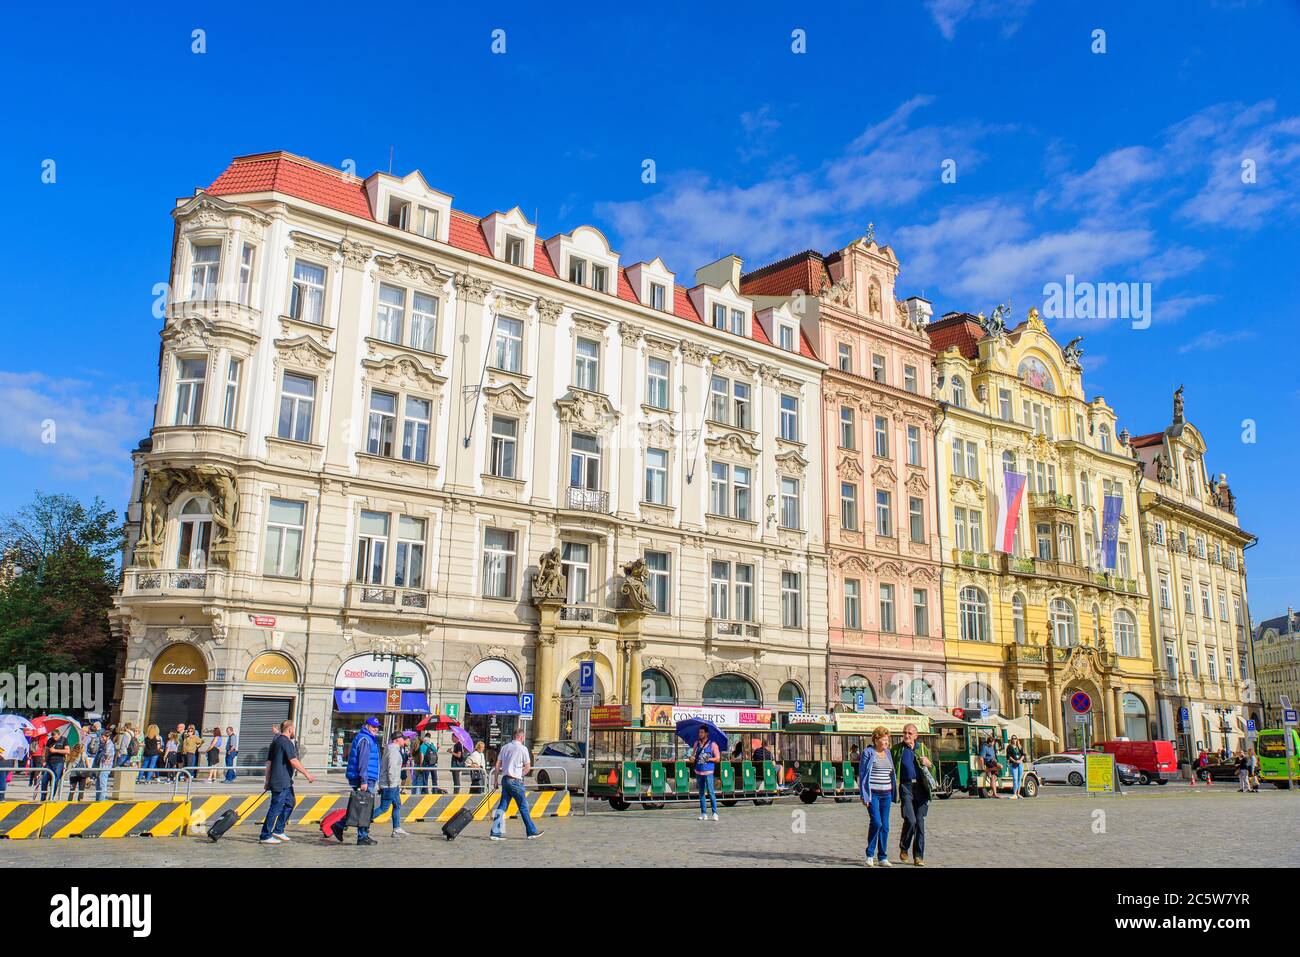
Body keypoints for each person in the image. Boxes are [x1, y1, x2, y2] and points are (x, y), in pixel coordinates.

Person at [259, 719, 315, 845]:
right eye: (293, 729)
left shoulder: (275, 742)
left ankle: (278, 829)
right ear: (290, 729)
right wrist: (307, 775)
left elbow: (269, 764)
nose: (294, 731)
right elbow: (294, 761)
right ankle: (265, 835)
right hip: (281, 781)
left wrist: (267, 780)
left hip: (285, 781)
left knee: (290, 803)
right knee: (275, 808)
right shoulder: (286, 743)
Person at [334, 717, 381, 845]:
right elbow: (363, 762)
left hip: (367, 778)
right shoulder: (365, 739)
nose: (376, 729)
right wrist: (364, 780)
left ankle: (342, 826)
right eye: (373, 727)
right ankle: (361, 836)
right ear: (367, 726)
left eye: (377, 727)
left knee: (361, 807)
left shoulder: (368, 738)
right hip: (364, 778)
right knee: (364, 808)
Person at [893, 723, 934, 866]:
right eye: (904, 732)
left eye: (910, 733)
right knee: (910, 820)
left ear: (916, 736)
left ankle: (918, 856)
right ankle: (904, 847)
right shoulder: (897, 750)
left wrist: (929, 764)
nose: (906, 735)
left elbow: (932, 770)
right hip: (906, 786)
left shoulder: (922, 749)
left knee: (920, 823)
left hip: (921, 788)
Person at [490, 729, 541, 840]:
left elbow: (498, 764)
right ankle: (531, 831)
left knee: (502, 806)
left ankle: (495, 833)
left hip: (505, 779)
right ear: (521, 737)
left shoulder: (505, 747)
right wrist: (520, 775)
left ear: (514, 736)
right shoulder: (523, 749)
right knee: (523, 806)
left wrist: (495, 780)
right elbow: (527, 767)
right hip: (515, 781)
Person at [858, 726, 895, 867]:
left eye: (887, 739)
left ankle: (882, 857)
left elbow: (891, 773)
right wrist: (864, 796)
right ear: (876, 739)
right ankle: (869, 854)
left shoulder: (888, 753)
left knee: (885, 826)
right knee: (877, 822)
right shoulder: (868, 752)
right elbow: (862, 775)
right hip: (873, 794)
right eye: (884, 739)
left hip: (886, 794)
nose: (886, 742)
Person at [375, 731, 411, 837]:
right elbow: (392, 769)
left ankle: (397, 828)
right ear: (397, 740)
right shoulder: (393, 751)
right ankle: (363, 822)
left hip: (393, 784)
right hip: (390, 785)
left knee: (397, 805)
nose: (404, 740)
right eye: (402, 739)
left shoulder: (393, 749)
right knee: (384, 808)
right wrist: (391, 784)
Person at [691, 726, 720, 822]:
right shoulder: (696, 744)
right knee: (701, 793)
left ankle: (715, 813)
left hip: (708, 772)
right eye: (699, 732)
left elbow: (717, 758)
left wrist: (709, 759)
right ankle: (703, 813)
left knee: (711, 792)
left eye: (702, 732)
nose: (700, 734)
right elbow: (693, 755)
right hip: (698, 771)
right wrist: (692, 758)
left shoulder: (713, 744)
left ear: (706, 733)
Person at [42, 729, 69, 800]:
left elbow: (67, 751)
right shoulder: (50, 740)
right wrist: (44, 760)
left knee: (55, 780)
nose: (55, 739)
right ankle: (43, 797)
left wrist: (55, 750)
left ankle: (51, 797)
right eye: (54, 737)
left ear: (59, 735)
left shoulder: (64, 740)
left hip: (59, 762)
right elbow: (46, 751)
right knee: (44, 779)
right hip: (49, 762)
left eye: (56, 737)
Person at [92, 725, 116, 801]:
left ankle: (101, 800)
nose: (101, 738)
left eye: (103, 737)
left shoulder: (109, 744)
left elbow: (107, 754)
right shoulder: (103, 744)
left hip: (105, 767)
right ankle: (97, 799)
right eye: (101, 737)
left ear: (107, 737)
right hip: (100, 766)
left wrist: (102, 750)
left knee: (102, 784)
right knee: (98, 784)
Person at [1005, 735, 1026, 799]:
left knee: (1019, 779)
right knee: (1015, 779)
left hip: (1020, 764)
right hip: (1013, 764)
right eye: (1013, 738)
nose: (1014, 740)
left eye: (1015, 738)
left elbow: (1023, 755)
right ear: (1011, 740)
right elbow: (1008, 756)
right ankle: (1014, 794)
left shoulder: (1019, 746)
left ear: (1017, 739)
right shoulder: (1009, 747)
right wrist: (1014, 761)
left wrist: (1020, 760)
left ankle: (1018, 793)